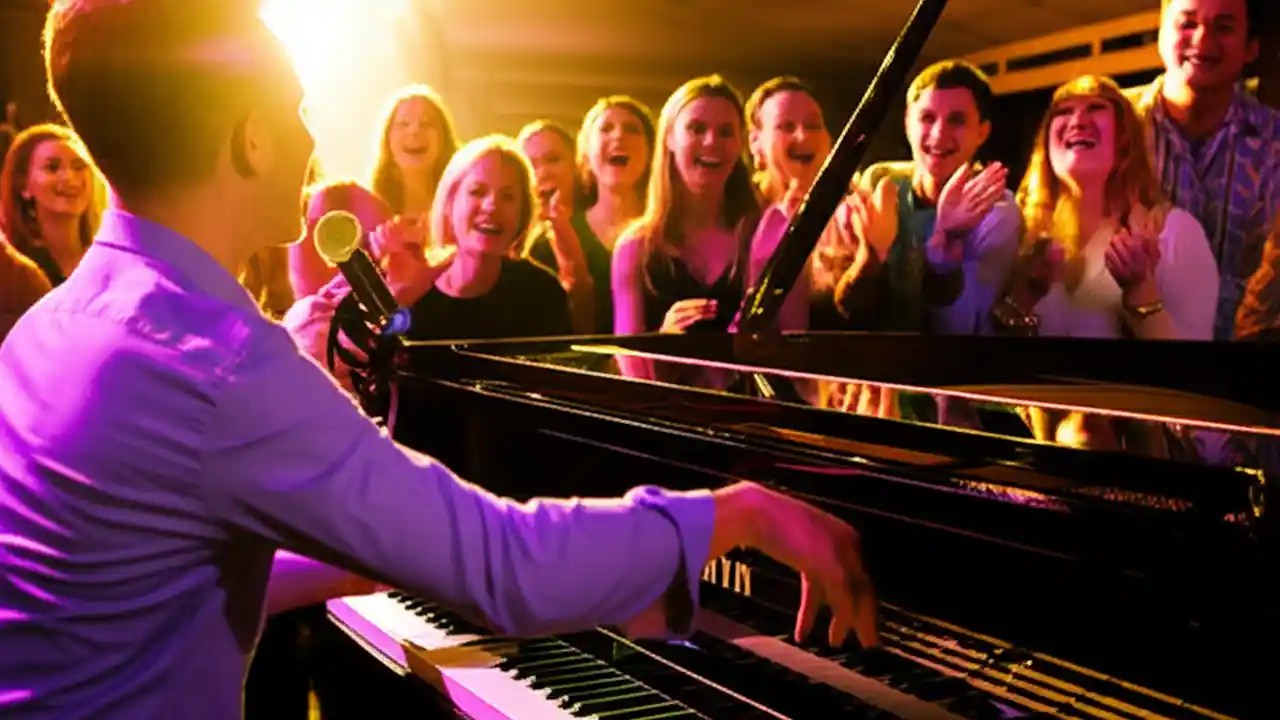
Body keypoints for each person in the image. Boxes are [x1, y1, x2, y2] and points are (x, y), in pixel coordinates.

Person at [0, 3, 876, 718]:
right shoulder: (220, 363)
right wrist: (740, 516)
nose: (311, 141)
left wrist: (366, 550)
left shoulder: (48, 328)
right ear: (251, 139)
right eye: (299, 112)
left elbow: (133, 597)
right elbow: (504, 568)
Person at [1127, 0, 1278, 340]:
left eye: (1223, 27)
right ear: (1161, 33)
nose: (1202, 40)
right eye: (1187, 23)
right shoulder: (1107, 126)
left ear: (1251, 47)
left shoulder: (1275, 143)